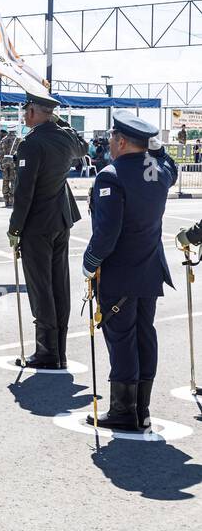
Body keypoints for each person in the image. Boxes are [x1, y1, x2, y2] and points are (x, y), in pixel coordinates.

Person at [82, 113, 177, 429]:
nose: (109, 142)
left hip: (119, 272)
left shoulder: (111, 175)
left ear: (121, 141)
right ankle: (142, 408)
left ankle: (124, 411)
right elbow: (171, 166)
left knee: (122, 339)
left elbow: (107, 233)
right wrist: (157, 149)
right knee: (143, 334)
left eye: (112, 137)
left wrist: (90, 261)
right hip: (149, 269)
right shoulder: (160, 171)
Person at [7, 95, 86, 369]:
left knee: (41, 289)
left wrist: (15, 227)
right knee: (59, 287)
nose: (24, 116)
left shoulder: (31, 143)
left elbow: (24, 192)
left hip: (37, 224)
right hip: (60, 220)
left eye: (26, 111)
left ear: (32, 111)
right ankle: (59, 351)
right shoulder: (64, 138)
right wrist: (57, 118)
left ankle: (46, 352)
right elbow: (82, 145)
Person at [0, 128, 20, 207]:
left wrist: (0, 163)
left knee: (5, 180)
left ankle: (6, 200)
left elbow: (0, 152)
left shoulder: (3, 139)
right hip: (14, 161)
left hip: (4, 161)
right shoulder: (18, 139)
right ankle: (12, 200)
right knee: (13, 180)